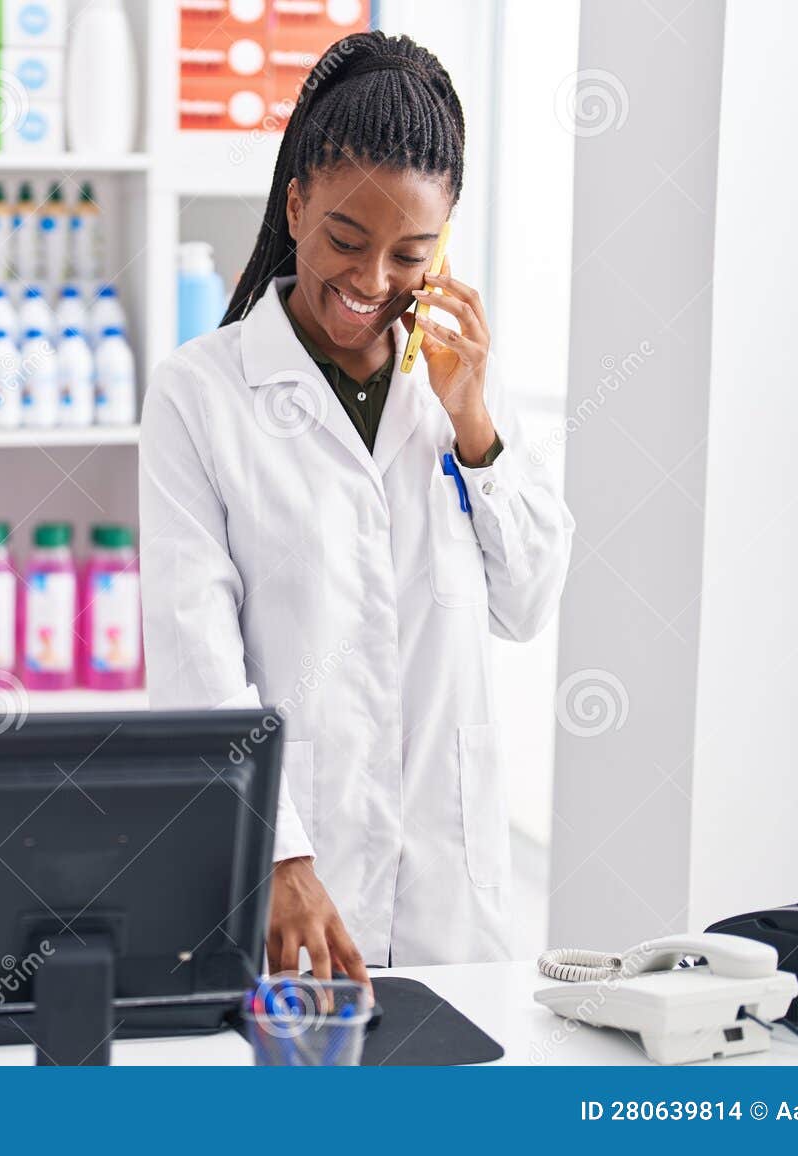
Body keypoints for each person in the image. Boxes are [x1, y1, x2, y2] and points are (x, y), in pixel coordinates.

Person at [139, 31, 574, 978]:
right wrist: (280, 858)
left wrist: (472, 424)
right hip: (283, 894)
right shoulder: (199, 394)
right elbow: (195, 667)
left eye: (410, 253)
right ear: (295, 204)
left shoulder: (455, 388)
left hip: (448, 906)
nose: (372, 283)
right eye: (346, 239)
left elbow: (529, 601)